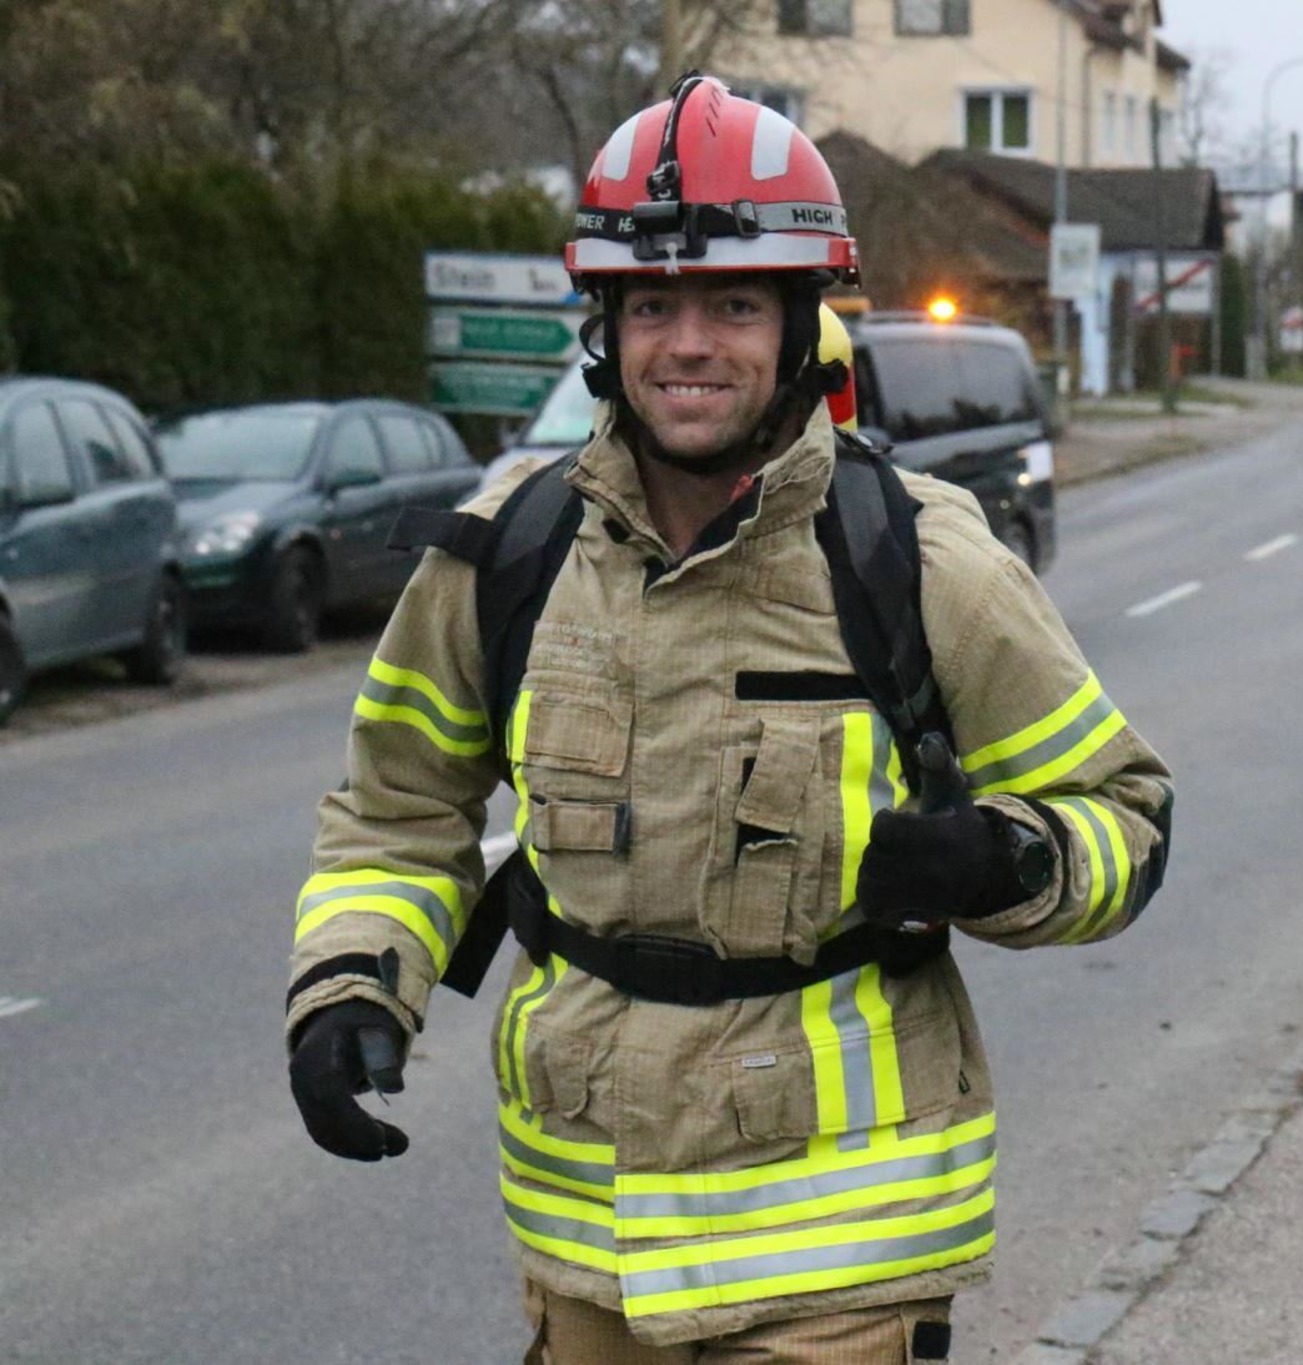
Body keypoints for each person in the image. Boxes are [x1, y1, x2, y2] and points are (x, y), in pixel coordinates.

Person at [285, 74, 1173, 1363]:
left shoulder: (922, 561)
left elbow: (1129, 823)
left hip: (842, 1256)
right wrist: (350, 983)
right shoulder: (509, 556)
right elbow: (396, 810)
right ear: (605, 326)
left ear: (799, 321)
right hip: (590, 1238)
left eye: (734, 304)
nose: (688, 343)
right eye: (653, 305)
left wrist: (1012, 858)